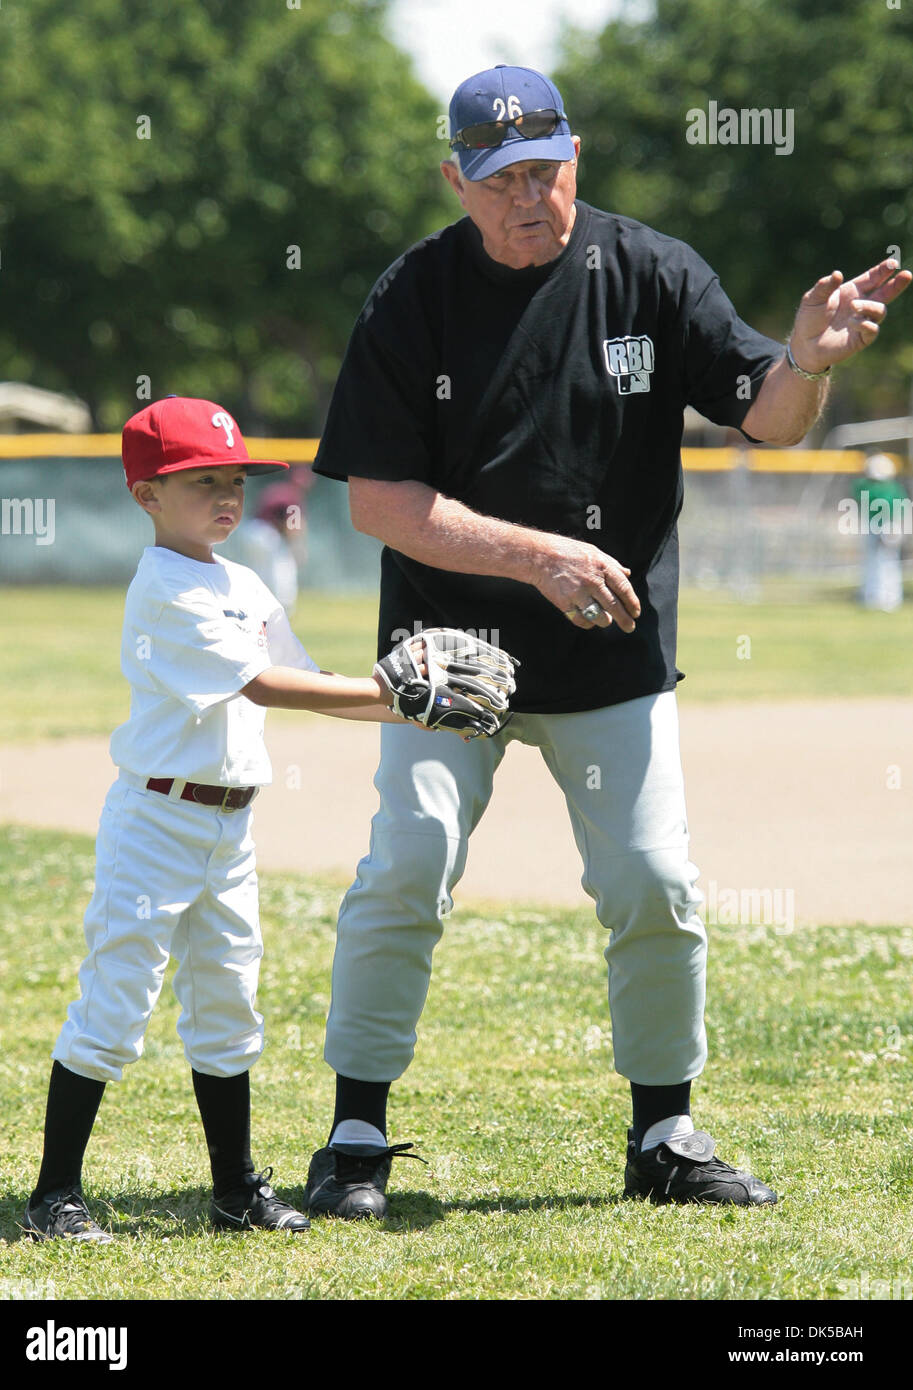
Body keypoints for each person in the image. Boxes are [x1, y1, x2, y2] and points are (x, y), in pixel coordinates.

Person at [303, 64, 911, 1218]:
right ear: (457, 180)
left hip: (609, 654)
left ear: (576, 158)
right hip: (452, 651)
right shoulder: (413, 296)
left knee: (653, 880)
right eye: (500, 181)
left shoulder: (651, 271)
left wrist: (812, 364)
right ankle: (356, 1135)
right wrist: (539, 554)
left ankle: (663, 1135)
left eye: (547, 170)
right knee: (405, 867)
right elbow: (380, 502)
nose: (528, 197)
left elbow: (769, 417)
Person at [23, 395, 501, 1243]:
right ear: (145, 497)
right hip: (155, 823)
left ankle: (235, 1190)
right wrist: (398, 691)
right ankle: (54, 1194)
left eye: (234, 480)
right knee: (115, 1006)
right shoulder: (166, 589)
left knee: (230, 1003)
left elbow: (307, 678)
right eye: (200, 481)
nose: (225, 496)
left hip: (228, 829)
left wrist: (412, 711)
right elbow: (264, 687)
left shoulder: (239, 581)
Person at [237, 475, 312, 615]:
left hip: (250, 530)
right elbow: (293, 527)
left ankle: (254, 607)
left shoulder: (277, 489)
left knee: (258, 571)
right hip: (266, 534)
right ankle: (284, 607)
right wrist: (297, 548)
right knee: (283, 566)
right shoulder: (293, 496)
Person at [854, 453, 907, 612]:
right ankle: (885, 598)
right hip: (885, 526)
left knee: (881, 562)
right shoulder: (892, 487)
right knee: (886, 562)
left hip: (884, 526)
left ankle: (881, 598)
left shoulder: (869, 486)